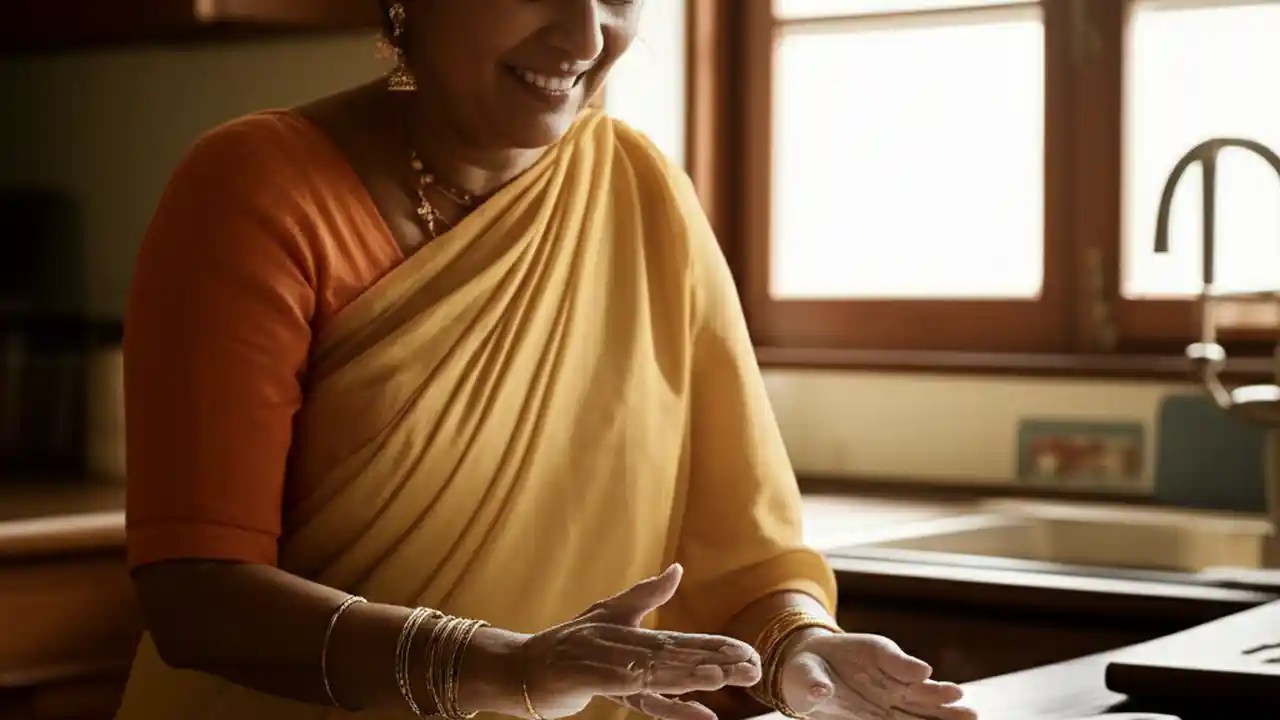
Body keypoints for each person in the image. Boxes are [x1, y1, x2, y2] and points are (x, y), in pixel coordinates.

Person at [115, 2, 976, 719]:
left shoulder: (644, 194)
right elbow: (198, 595)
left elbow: (741, 557)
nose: (584, 36)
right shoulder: (255, 187)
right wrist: (504, 669)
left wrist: (799, 645)